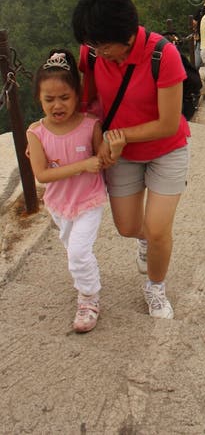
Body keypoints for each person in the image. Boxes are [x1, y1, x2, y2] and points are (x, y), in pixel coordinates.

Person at [72, 0, 190, 319]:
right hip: (121, 154)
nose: (96, 51)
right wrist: (96, 139)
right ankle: (148, 242)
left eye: (102, 44)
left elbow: (168, 123)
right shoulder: (92, 53)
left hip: (166, 149)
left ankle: (155, 287)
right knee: (127, 227)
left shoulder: (161, 55)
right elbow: (88, 104)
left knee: (157, 229)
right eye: (91, 44)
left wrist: (120, 136)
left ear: (125, 35)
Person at [26, 50, 106, 333]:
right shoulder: (36, 133)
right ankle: (88, 279)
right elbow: (42, 174)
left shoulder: (89, 125)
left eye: (64, 97)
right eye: (49, 99)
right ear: (39, 98)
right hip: (59, 204)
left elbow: (102, 159)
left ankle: (88, 297)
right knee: (75, 250)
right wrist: (83, 165)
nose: (57, 105)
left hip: (89, 200)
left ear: (77, 94)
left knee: (77, 252)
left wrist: (113, 149)